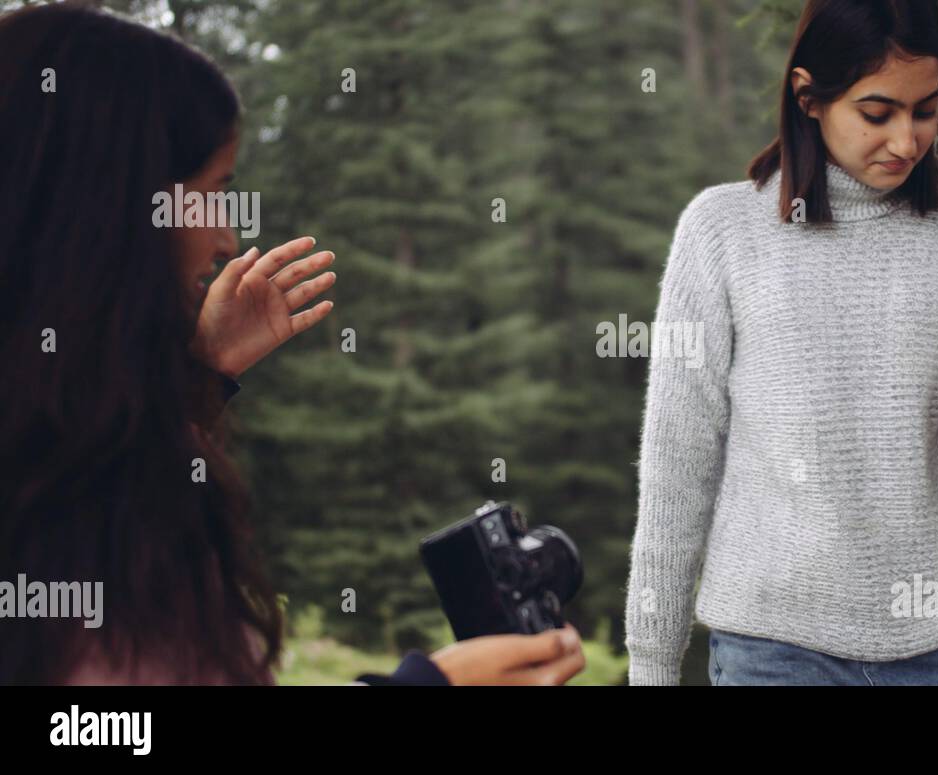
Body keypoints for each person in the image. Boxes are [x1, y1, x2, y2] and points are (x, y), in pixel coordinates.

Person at [0, 2, 584, 686]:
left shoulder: (48, 441)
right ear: (112, 208)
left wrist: (203, 375)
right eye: (213, 192)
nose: (225, 238)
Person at [622, 0, 938, 685]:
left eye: (925, 111)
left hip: (935, 648)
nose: (906, 141)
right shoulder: (721, 231)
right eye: (877, 113)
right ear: (809, 97)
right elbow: (678, 465)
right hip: (772, 646)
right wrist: (651, 666)